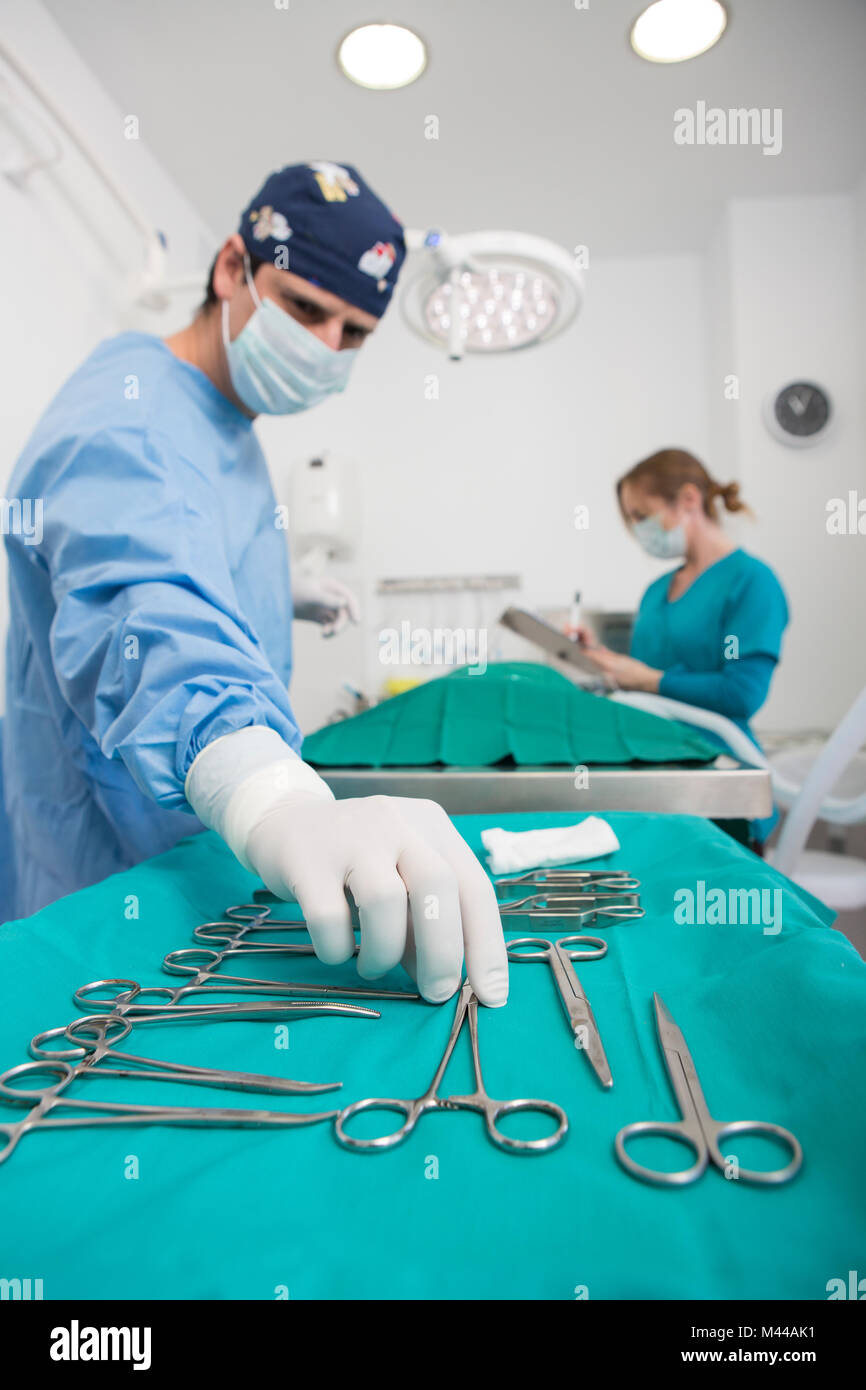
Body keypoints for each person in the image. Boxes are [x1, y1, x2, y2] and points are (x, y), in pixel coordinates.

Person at [2, 161, 508, 1007]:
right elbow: (147, 611)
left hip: (188, 856)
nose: (324, 347)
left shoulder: (220, 413)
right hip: (117, 875)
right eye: (306, 308)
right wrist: (274, 799)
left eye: (353, 333)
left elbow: (185, 549)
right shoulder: (126, 415)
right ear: (232, 268)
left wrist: (283, 586)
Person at [576, 447, 788, 843]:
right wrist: (599, 661)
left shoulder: (750, 582)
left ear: (689, 499)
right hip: (648, 780)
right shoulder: (657, 592)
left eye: (642, 515)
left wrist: (649, 680)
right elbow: (641, 682)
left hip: (717, 785)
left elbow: (740, 694)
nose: (638, 529)